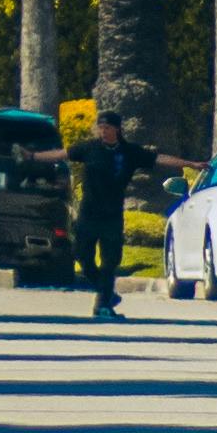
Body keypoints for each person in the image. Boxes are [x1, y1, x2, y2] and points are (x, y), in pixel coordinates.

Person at [75, 105, 149, 321]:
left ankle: (103, 306)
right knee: (82, 257)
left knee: (109, 262)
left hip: (112, 217)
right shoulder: (90, 149)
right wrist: (32, 156)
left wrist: (192, 164)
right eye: (101, 127)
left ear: (117, 129)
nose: (103, 131)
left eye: (107, 127)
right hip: (88, 215)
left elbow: (157, 159)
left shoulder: (129, 152)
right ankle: (105, 292)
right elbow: (61, 153)